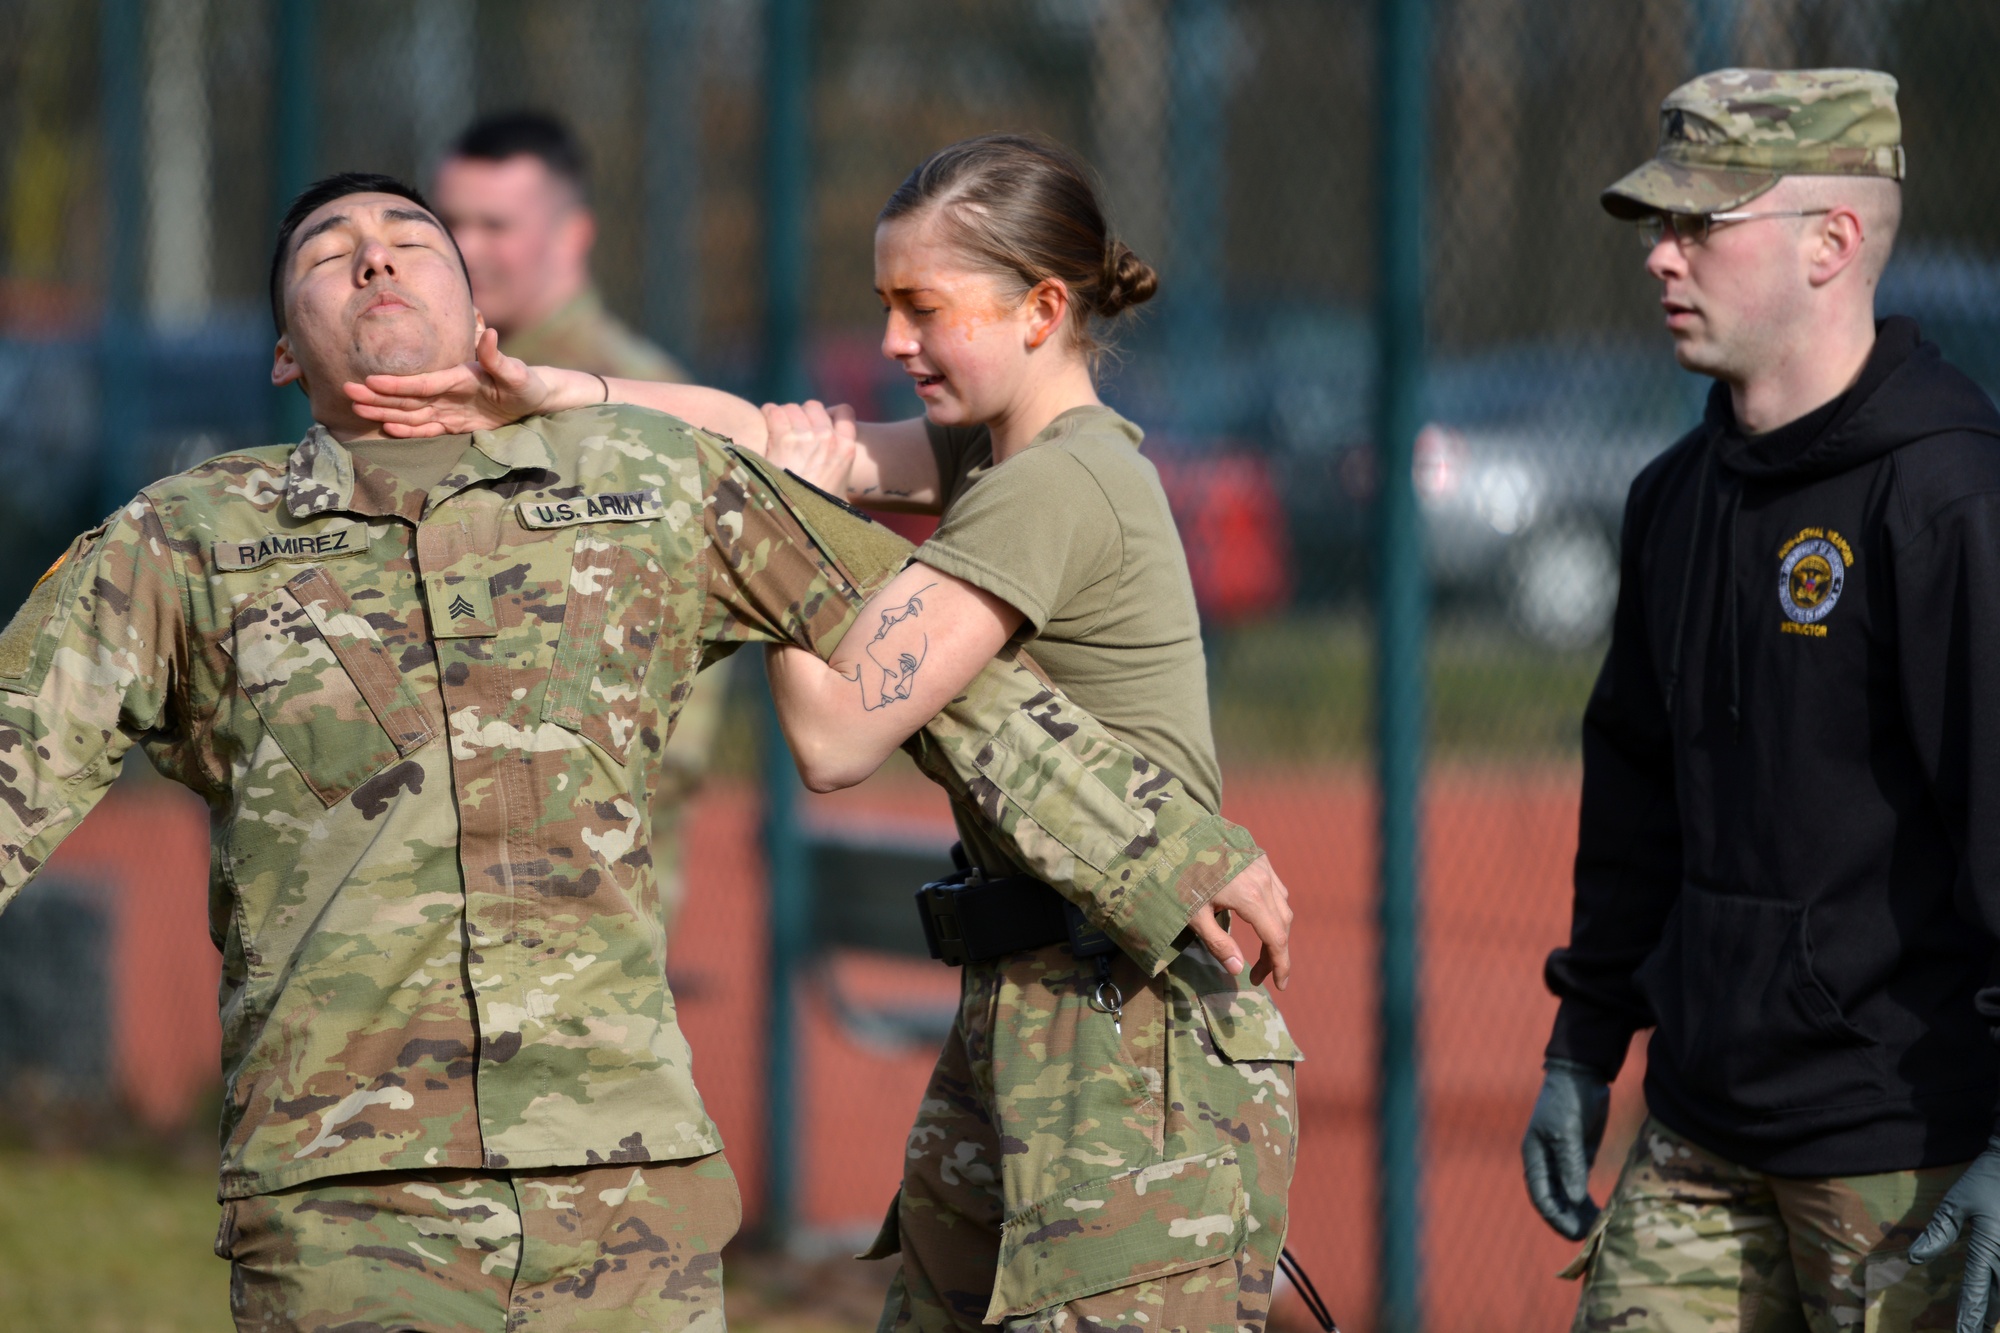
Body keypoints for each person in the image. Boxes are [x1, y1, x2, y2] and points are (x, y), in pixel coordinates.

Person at [0, 170, 1290, 1333]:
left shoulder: (648, 489)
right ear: (285, 349)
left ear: (477, 307)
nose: (377, 255)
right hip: (350, 1199)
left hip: (620, 1193)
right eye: (332, 251)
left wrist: (1169, 850)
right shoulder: (187, 542)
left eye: (412, 239)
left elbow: (948, 689)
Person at [1520, 68, 2000, 1332]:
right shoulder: (1673, 498)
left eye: (1699, 224)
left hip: (1904, 1151)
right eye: (1657, 225)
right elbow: (1633, 803)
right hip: (1695, 1132)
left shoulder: (1949, 499)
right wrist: (1582, 1044)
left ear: (1828, 243)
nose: (1658, 257)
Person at [436, 110, 718, 940]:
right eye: (449, 223)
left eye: (496, 225)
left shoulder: (640, 401)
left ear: (573, 235)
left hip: (582, 867)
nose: (467, 249)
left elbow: (675, 688)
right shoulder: (429, 392)